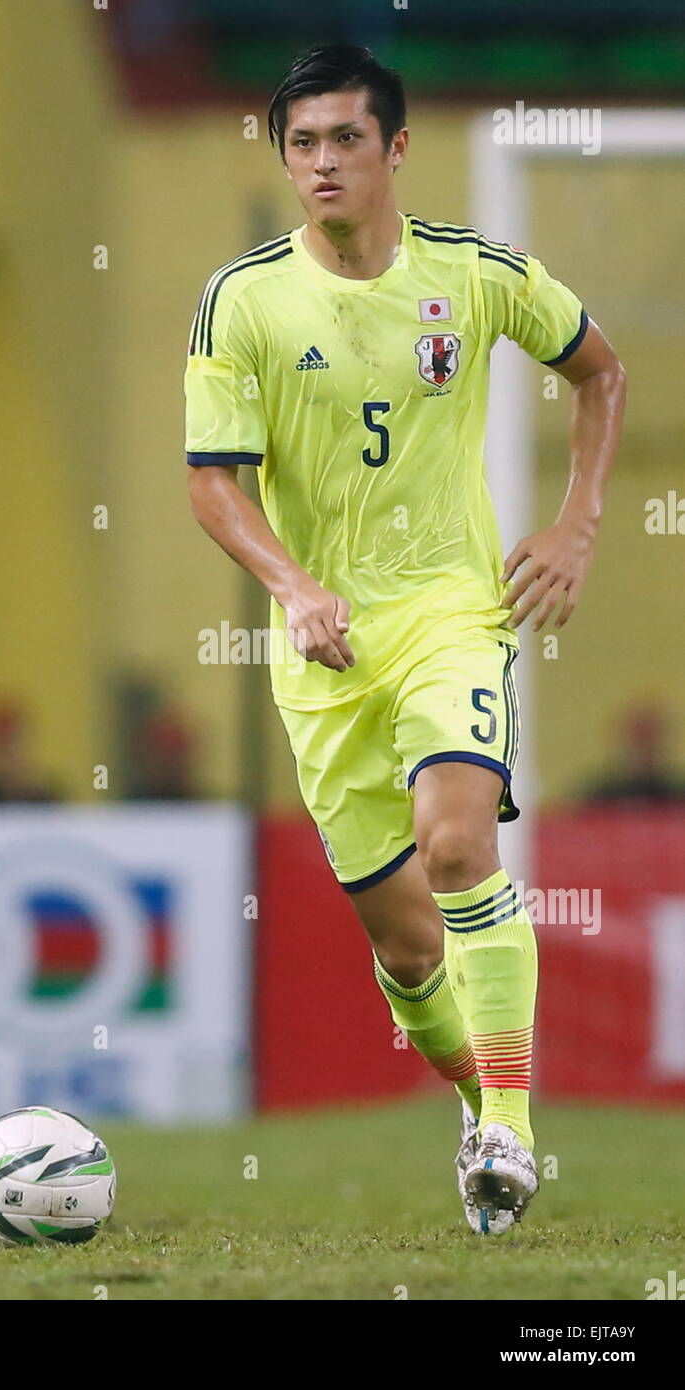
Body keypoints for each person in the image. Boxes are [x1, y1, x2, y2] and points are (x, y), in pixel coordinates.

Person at [184, 45, 625, 1233]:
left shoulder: (475, 276)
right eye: (300, 143)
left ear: (393, 149)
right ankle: (481, 1105)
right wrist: (290, 583)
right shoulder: (241, 300)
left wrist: (576, 522)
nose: (320, 162)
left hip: (448, 613)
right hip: (322, 651)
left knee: (452, 844)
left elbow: (597, 369)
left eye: (341, 139)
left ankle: (513, 1130)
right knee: (409, 951)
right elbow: (211, 484)